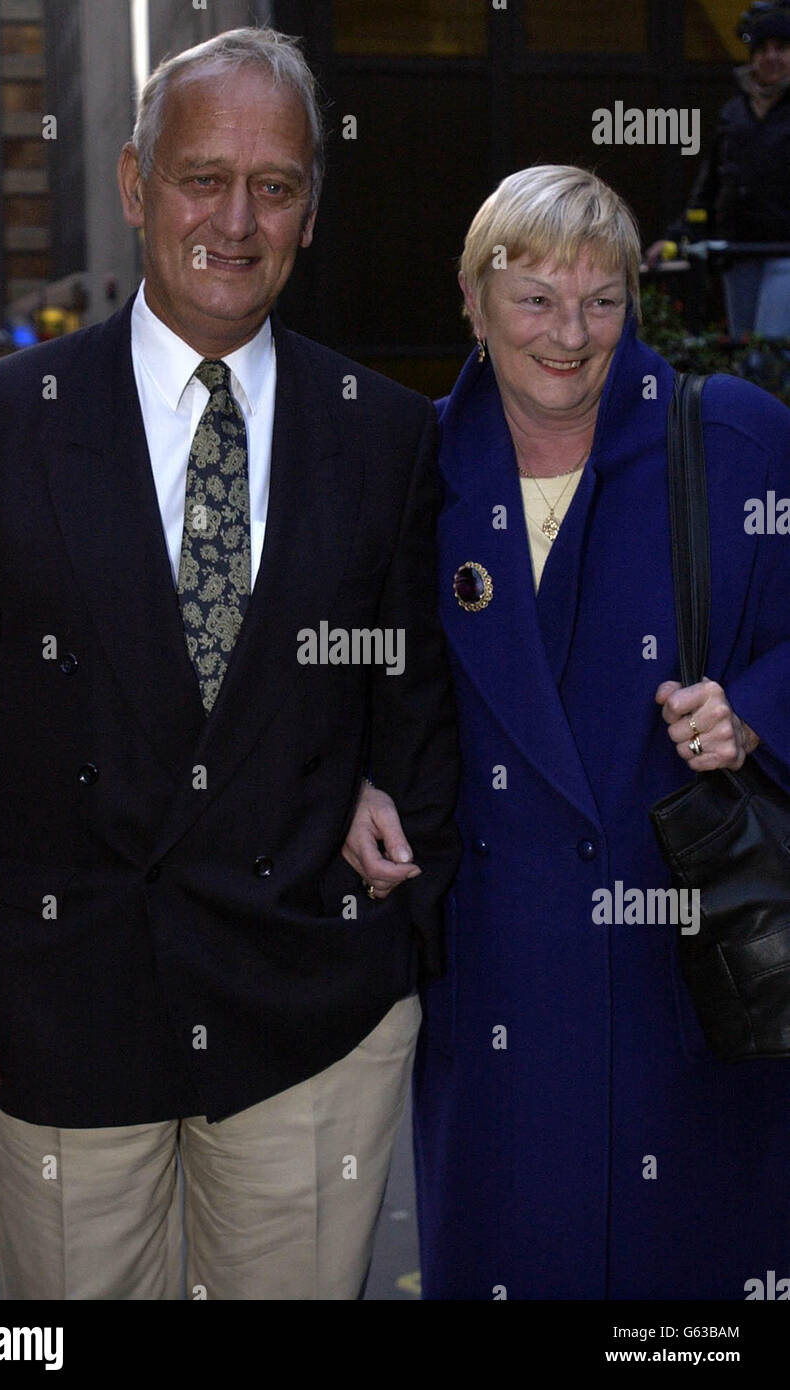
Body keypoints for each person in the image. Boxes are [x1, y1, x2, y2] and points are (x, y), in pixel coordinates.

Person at [0, 28, 459, 1301]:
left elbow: (416, 709)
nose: (235, 217)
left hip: (309, 1024)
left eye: (273, 186)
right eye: (201, 177)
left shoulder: (383, 436)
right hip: (63, 1020)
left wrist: (383, 830)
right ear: (131, 184)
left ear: (311, 213)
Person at [346, 165, 790, 1299]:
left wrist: (755, 709)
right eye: (533, 297)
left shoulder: (728, 441)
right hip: (497, 991)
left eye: (600, 299)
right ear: (471, 299)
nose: (569, 332)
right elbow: (338, 678)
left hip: (691, 980)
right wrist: (350, 785)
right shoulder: (410, 466)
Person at [645, 2, 790, 337]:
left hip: (783, 255)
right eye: (763, 49)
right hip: (737, 254)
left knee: (768, 355)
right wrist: (680, 235)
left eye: (781, 48)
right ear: (752, 56)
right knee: (743, 350)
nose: (771, 57)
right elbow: (710, 185)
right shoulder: (734, 113)